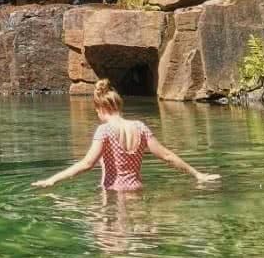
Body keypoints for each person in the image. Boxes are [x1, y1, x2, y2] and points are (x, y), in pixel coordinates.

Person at [31, 79, 221, 190]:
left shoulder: (104, 131)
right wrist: (198, 175)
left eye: (96, 110)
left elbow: (87, 164)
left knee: (109, 241)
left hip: (113, 193)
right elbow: (167, 156)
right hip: (137, 190)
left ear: (101, 108)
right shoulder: (140, 127)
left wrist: (52, 179)